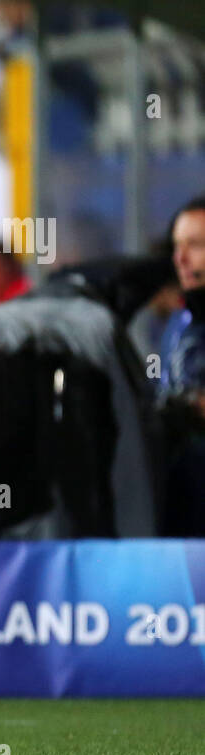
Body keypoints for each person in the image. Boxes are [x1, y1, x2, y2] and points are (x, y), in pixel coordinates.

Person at [158, 195, 205, 536]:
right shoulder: (180, 321)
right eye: (177, 246)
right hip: (182, 510)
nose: (181, 258)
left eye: (195, 245)